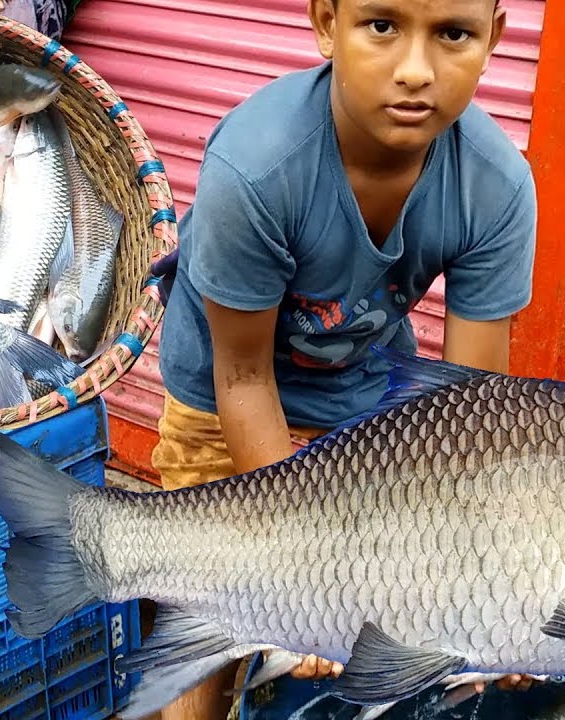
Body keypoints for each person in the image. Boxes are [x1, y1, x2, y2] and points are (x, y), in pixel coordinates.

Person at [148, 0, 538, 717]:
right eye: (383, 26)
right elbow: (243, 376)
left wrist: (497, 600)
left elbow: (475, 423)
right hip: (222, 386)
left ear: (494, 42)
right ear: (327, 22)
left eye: (454, 34)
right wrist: (290, 574)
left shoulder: (497, 189)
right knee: (204, 606)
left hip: (365, 390)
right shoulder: (259, 166)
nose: (416, 71)